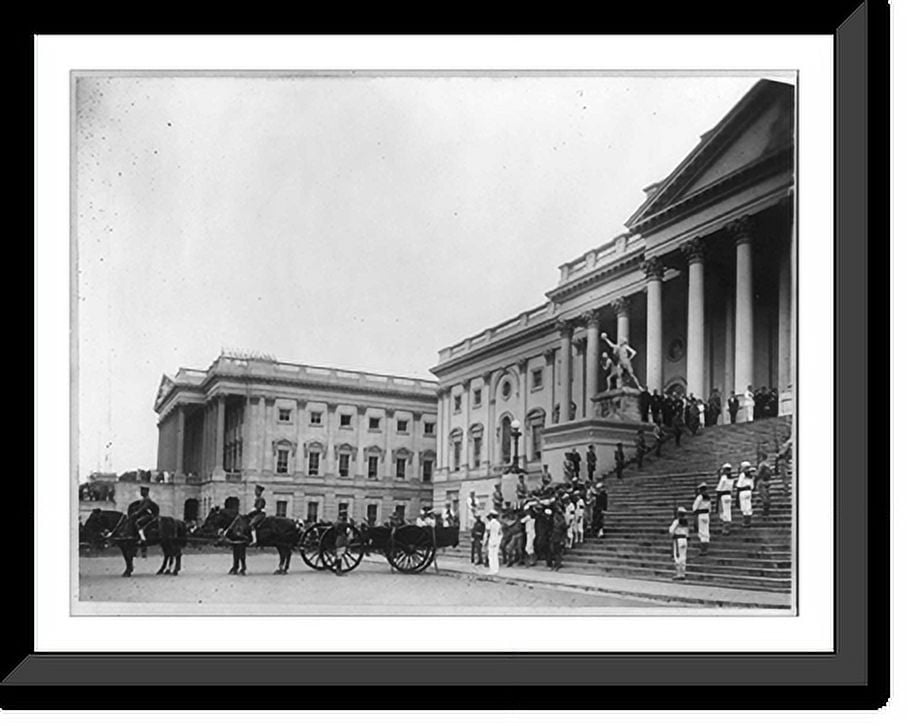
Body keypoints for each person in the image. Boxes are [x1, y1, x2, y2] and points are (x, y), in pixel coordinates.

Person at [668, 507, 690, 580]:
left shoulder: (677, 521)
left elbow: (671, 530)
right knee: (683, 556)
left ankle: (678, 573)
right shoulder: (686, 522)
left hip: (678, 540)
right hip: (684, 540)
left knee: (677, 556)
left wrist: (672, 535)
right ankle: (683, 573)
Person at [691, 483, 711, 555]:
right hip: (706, 515)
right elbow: (709, 508)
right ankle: (706, 548)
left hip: (701, 515)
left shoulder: (700, 497)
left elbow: (695, 507)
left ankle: (703, 549)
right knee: (706, 532)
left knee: (702, 532)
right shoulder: (708, 497)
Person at [716, 463, 735, 535]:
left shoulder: (723, 478)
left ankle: (725, 528)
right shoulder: (731, 479)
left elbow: (719, 488)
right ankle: (727, 527)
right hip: (729, 495)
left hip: (723, 495)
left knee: (723, 512)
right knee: (728, 512)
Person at [736, 462, 756, 527]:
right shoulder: (751, 475)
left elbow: (739, 485)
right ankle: (748, 522)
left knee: (744, 507)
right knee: (748, 506)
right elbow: (752, 486)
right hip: (749, 491)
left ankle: (745, 522)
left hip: (743, 491)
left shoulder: (742, 474)